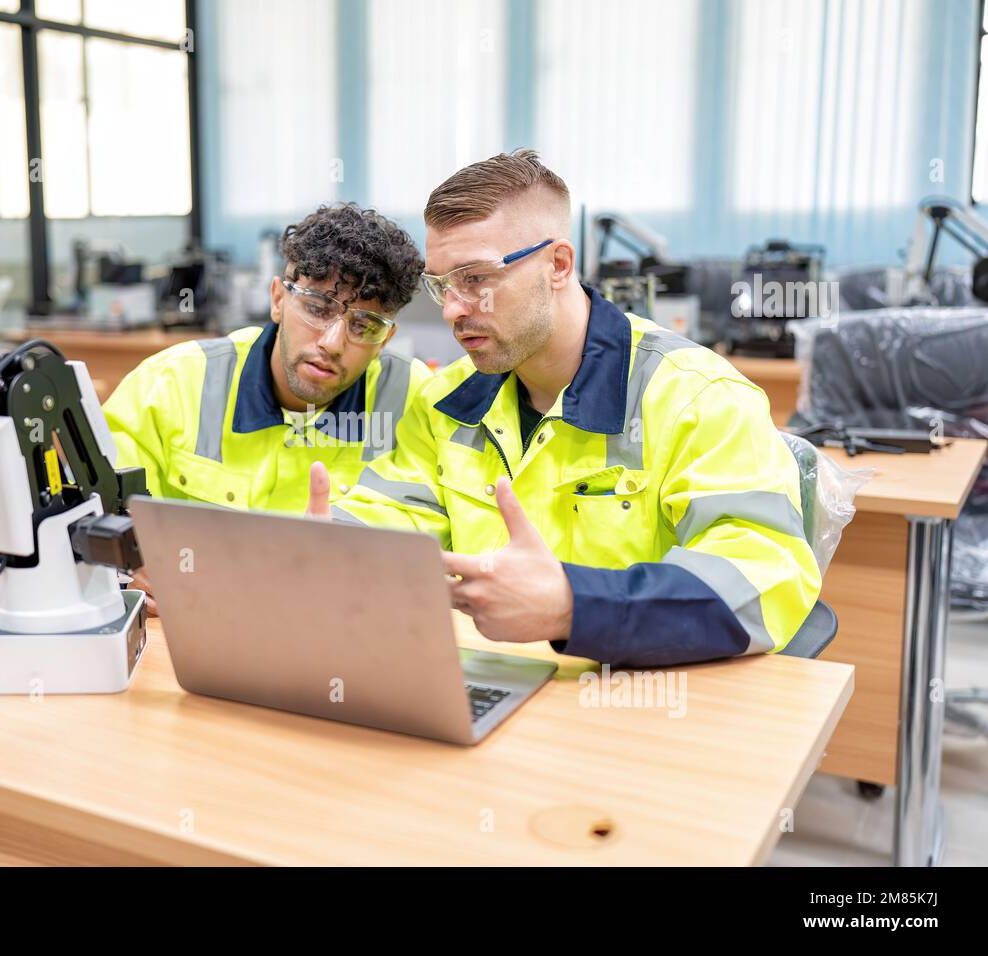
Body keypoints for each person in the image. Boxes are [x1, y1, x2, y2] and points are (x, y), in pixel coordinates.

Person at [309, 150, 820, 667]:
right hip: (488, 680)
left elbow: (762, 580)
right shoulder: (446, 400)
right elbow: (398, 511)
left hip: (639, 699)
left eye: (476, 278)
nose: (452, 309)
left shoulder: (698, 397)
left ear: (557, 265)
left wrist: (573, 608)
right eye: (441, 284)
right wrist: (328, 546)